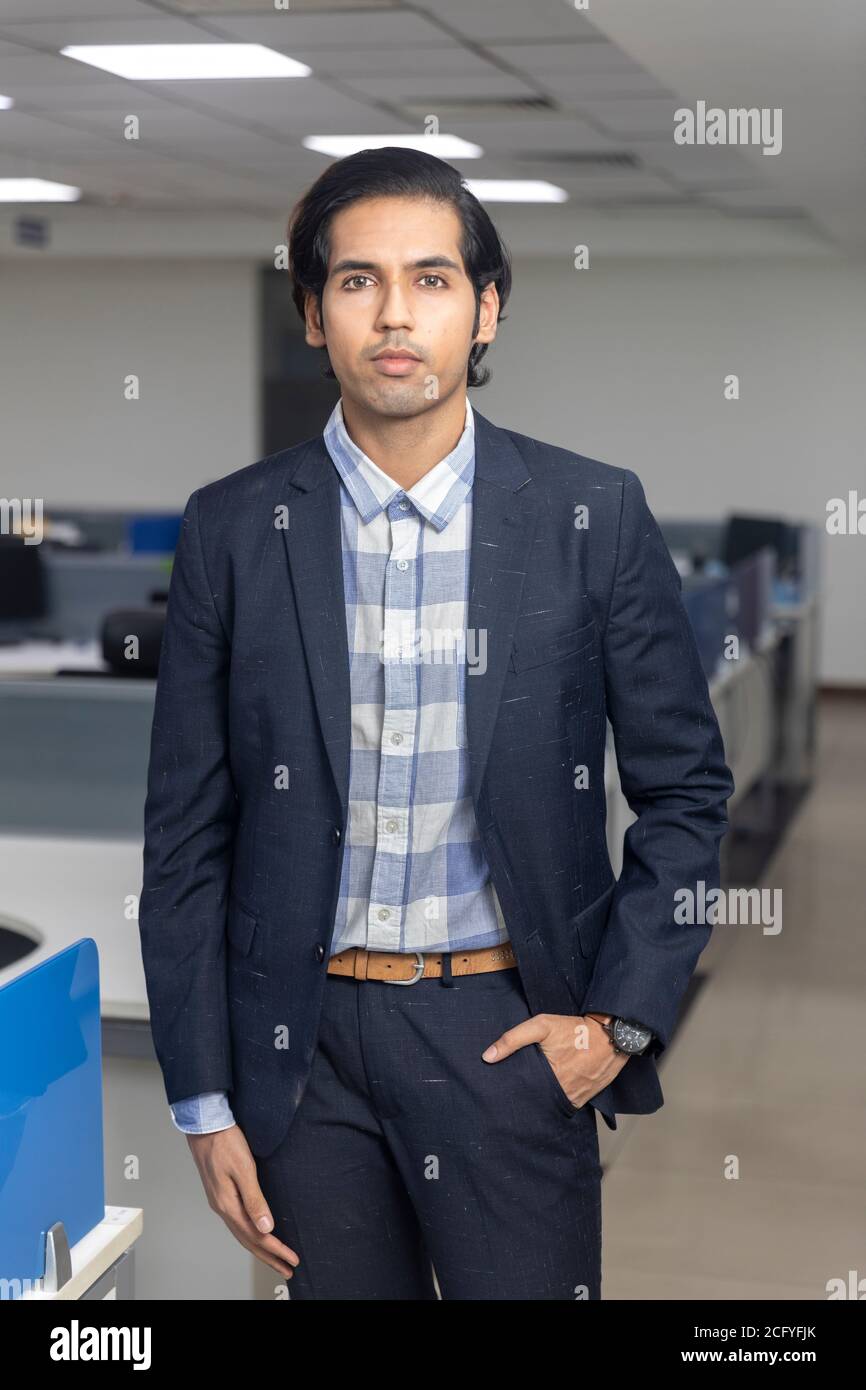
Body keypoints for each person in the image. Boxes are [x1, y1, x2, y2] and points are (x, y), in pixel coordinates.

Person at [139, 145, 734, 1300]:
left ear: (486, 307)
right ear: (312, 314)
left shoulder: (588, 516)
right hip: (298, 1051)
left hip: (506, 1033)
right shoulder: (231, 530)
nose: (394, 314)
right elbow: (186, 837)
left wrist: (612, 1022)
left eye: (431, 278)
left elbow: (685, 791)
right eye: (357, 281)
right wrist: (203, 1100)